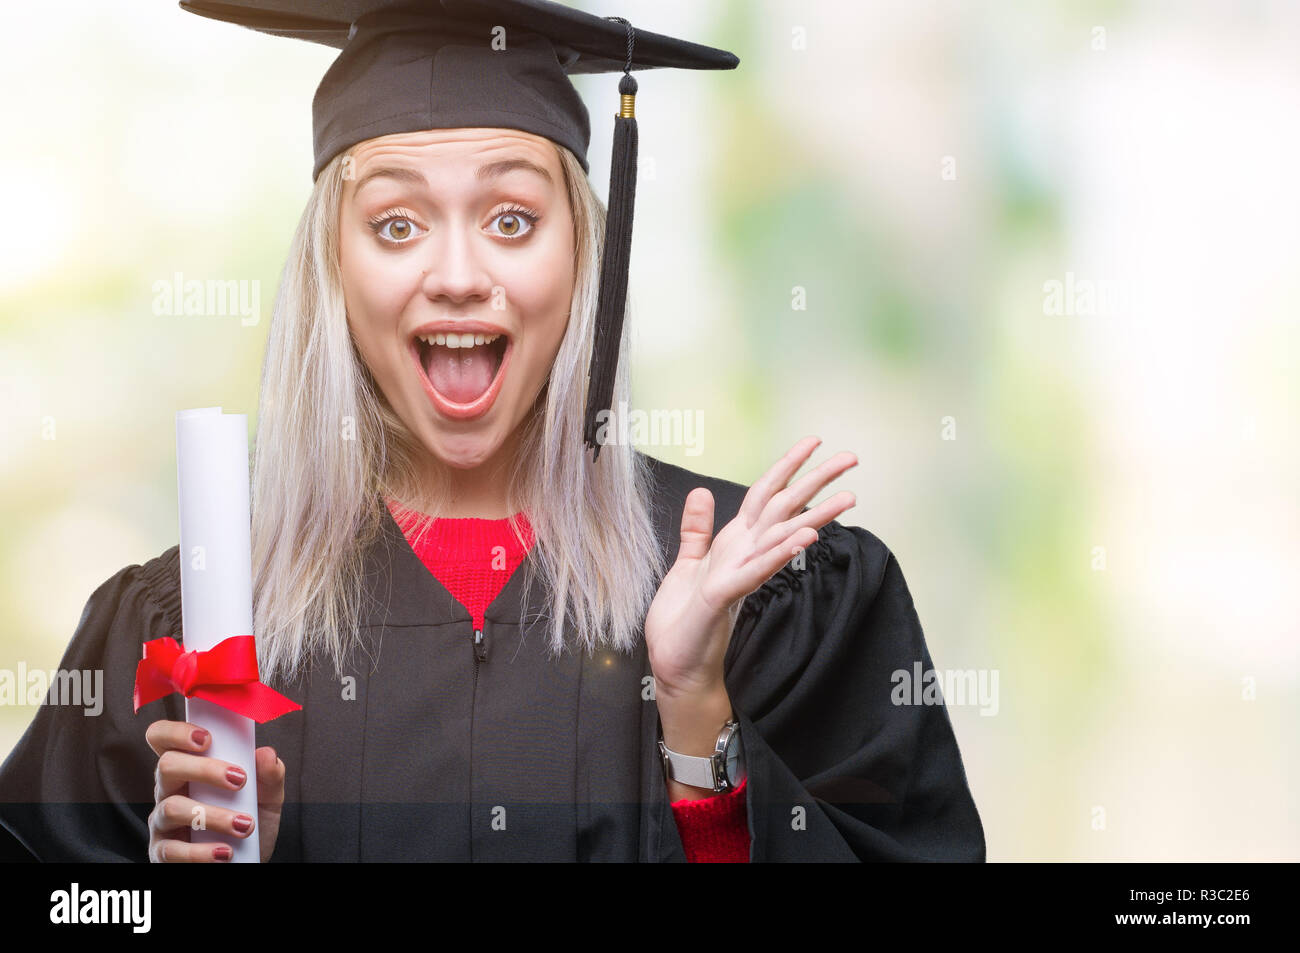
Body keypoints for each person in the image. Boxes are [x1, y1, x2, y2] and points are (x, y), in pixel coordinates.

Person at [0, 0, 986, 862]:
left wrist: (700, 732)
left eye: (512, 218)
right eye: (395, 224)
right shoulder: (198, 623)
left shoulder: (764, 597)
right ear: (332, 270)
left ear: (582, 253)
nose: (459, 272)